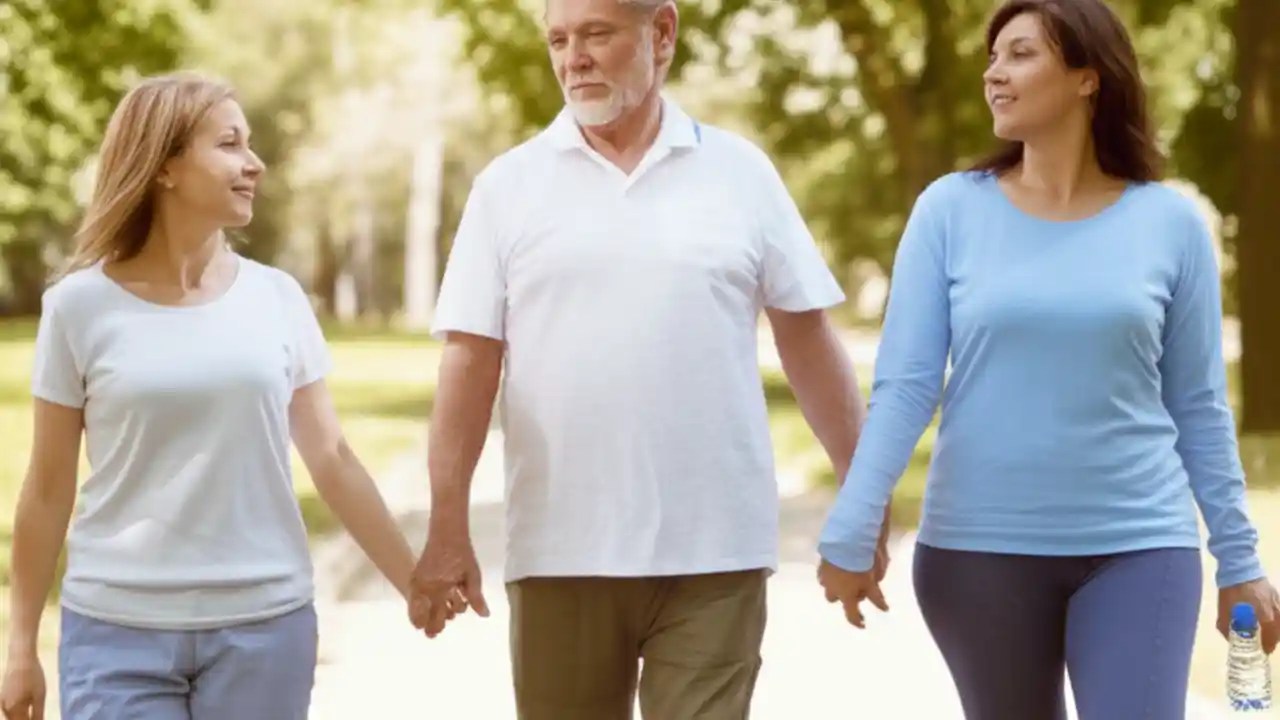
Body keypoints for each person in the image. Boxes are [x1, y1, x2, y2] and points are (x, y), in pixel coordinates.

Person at [406, 0, 877, 717]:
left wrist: (860, 493)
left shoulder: (741, 174)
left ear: (662, 34)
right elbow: (469, 365)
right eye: (559, 40)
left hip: (717, 553)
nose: (574, 59)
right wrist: (447, 527)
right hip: (561, 552)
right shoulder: (507, 187)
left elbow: (807, 337)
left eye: (597, 34)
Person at [815, 0, 1280, 718]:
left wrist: (1239, 559)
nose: (994, 74)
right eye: (992, 58)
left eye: (1021, 54)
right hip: (978, 552)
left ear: (1089, 77)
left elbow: (1198, 405)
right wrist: (853, 524)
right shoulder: (949, 211)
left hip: (1140, 545)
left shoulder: (1171, 224)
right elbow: (906, 386)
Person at [0, 72, 419, 720]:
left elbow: (331, 457)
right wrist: (20, 647)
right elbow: (48, 487)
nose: (254, 163)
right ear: (164, 166)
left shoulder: (277, 298)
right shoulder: (78, 307)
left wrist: (414, 582)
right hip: (116, 631)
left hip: (264, 628)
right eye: (229, 144)